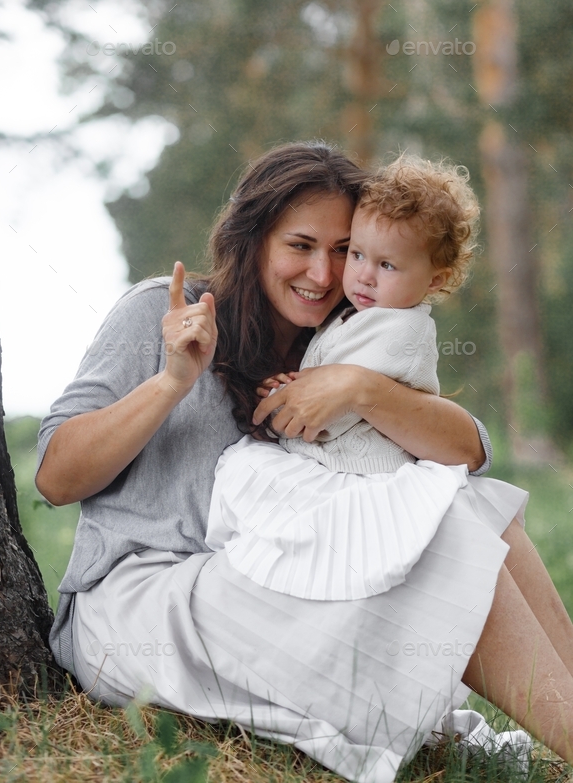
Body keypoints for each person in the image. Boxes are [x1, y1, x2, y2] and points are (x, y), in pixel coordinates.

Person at [36, 142, 573, 783]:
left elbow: (467, 453)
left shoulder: (347, 331)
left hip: (259, 576)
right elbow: (56, 478)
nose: (323, 273)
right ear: (254, 238)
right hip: (140, 602)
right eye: (300, 245)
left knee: (475, 507)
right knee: (441, 529)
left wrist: (360, 388)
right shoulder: (164, 312)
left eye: (343, 249)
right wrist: (172, 381)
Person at [206, 155, 480, 601]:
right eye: (357, 255)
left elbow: (320, 417)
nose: (362, 276)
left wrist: (280, 407)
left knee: (246, 467)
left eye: (387, 266)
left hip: (358, 474)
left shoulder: (395, 328)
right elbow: (324, 385)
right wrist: (293, 389)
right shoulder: (356, 316)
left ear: (436, 279)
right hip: (338, 464)